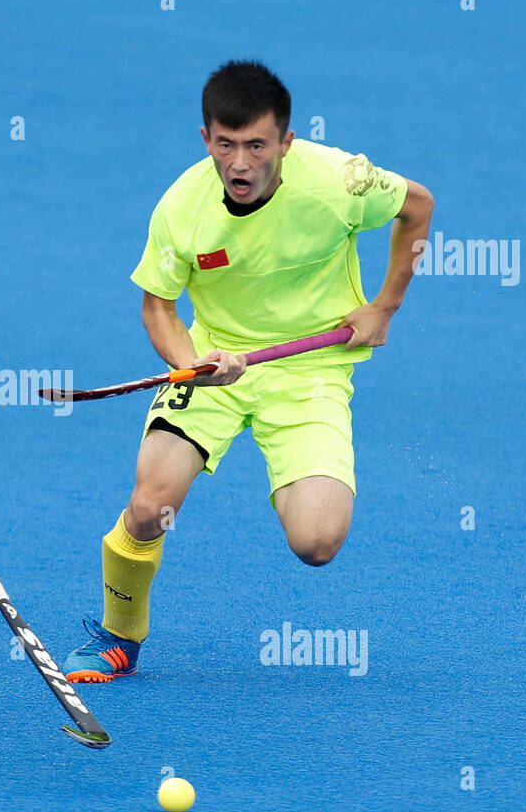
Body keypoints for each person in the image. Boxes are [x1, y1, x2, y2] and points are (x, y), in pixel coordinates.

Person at [64, 60, 433, 683]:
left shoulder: (339, 182)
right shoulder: (182, 207)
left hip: (310, 368)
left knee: (317, 542)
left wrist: (385, 306)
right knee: (152, 505)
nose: (240, 163)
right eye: (226, 144)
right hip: (214, 358)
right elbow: (158, 308)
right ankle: (119, 636)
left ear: (286, 142)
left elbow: (418, 208)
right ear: (205, 137)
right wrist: (192, 366)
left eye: (257, 145)